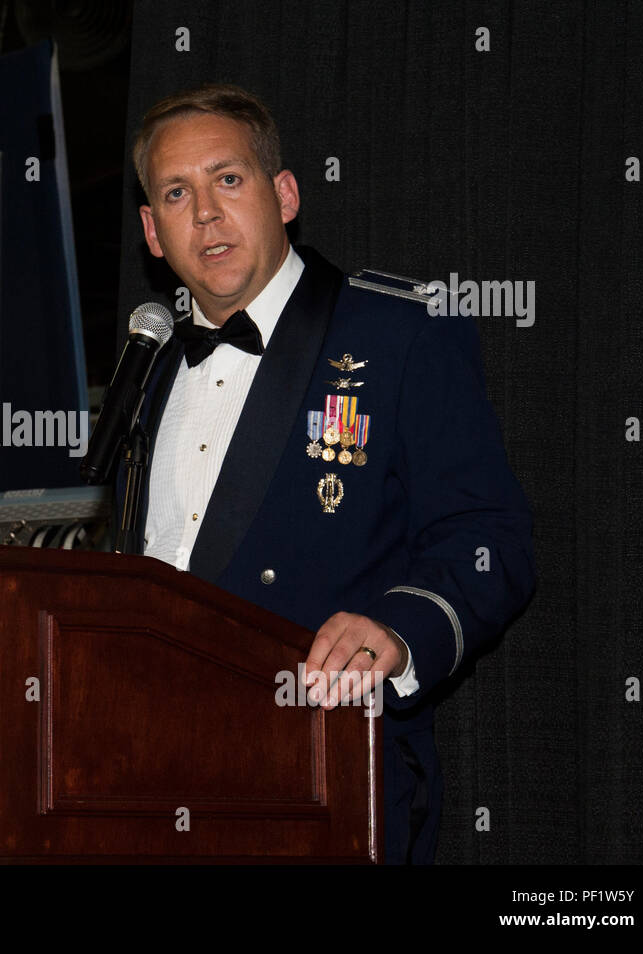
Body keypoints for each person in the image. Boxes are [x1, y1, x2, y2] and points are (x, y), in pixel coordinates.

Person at [119, 84, 535, 863]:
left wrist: (401, 633)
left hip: (323, 777)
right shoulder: (146, 370)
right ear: (152, 229)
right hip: (151, 781)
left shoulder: (398, 332)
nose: (205, 212)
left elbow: (490, 538)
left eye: (228, 179)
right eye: (177, 192)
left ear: (284, 194)